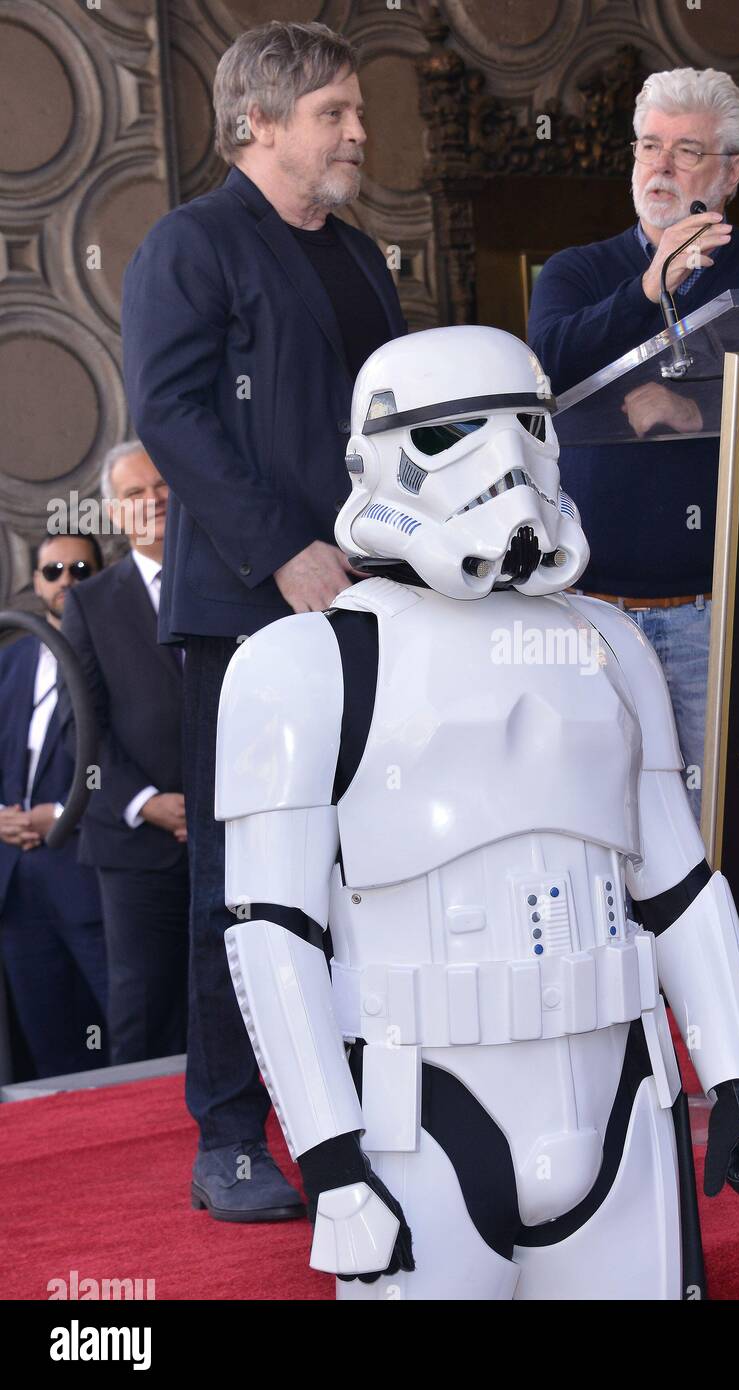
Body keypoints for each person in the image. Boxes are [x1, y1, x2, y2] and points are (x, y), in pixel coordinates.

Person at [217, 325, 739, 1300]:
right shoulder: (302, 664)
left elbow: (679, 884)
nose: (508, 462)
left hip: (621, 1093)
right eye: (455, 435)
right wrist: (326, 1155)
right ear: (377, 455)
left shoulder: (612, 643)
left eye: (529, 426)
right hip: (421, 1107)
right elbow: (272, 930)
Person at [121, 20, 406, 1222]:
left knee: (367, 873)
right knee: (242, 884)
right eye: (334, 113)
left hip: (379, 611)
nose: (356, 130)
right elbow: (170, 413)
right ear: (260, 124)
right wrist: (279, 551)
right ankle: (232, 1135)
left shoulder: (358, 256)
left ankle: (366, 1110)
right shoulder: (188, 244)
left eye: (353, 110)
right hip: (246, 615)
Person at [528, 67, 739, 818]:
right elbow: (548, 370)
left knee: (720, 831)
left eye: (686, 151)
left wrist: (694, 412)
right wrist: (648, 288)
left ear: (732, 170)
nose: (658, 167)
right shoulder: (577, 271)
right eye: (648, 146)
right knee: (597, 828)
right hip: (590, 614)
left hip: (720, 612)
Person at [61, 442, 189, 1065]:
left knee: (235, 998)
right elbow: (84, 724)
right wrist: (147, 802)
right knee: (144, 1009)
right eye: (136, 494)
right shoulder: (88, 602)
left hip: (237, 832)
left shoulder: (232, 579)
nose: (153, 501)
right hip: (136, 846)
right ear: (117, 515)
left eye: (162, 485)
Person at [0, 533, 108, 1077]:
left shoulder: (117, 648)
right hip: (17, 886)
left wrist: (68, 813)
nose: (67, 578)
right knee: (45, 1041)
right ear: (37, 582)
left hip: (88, 875)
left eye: (81, 569)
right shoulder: (15, 659)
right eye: (54, 570)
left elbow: (131, 750)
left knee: (117, 1031)